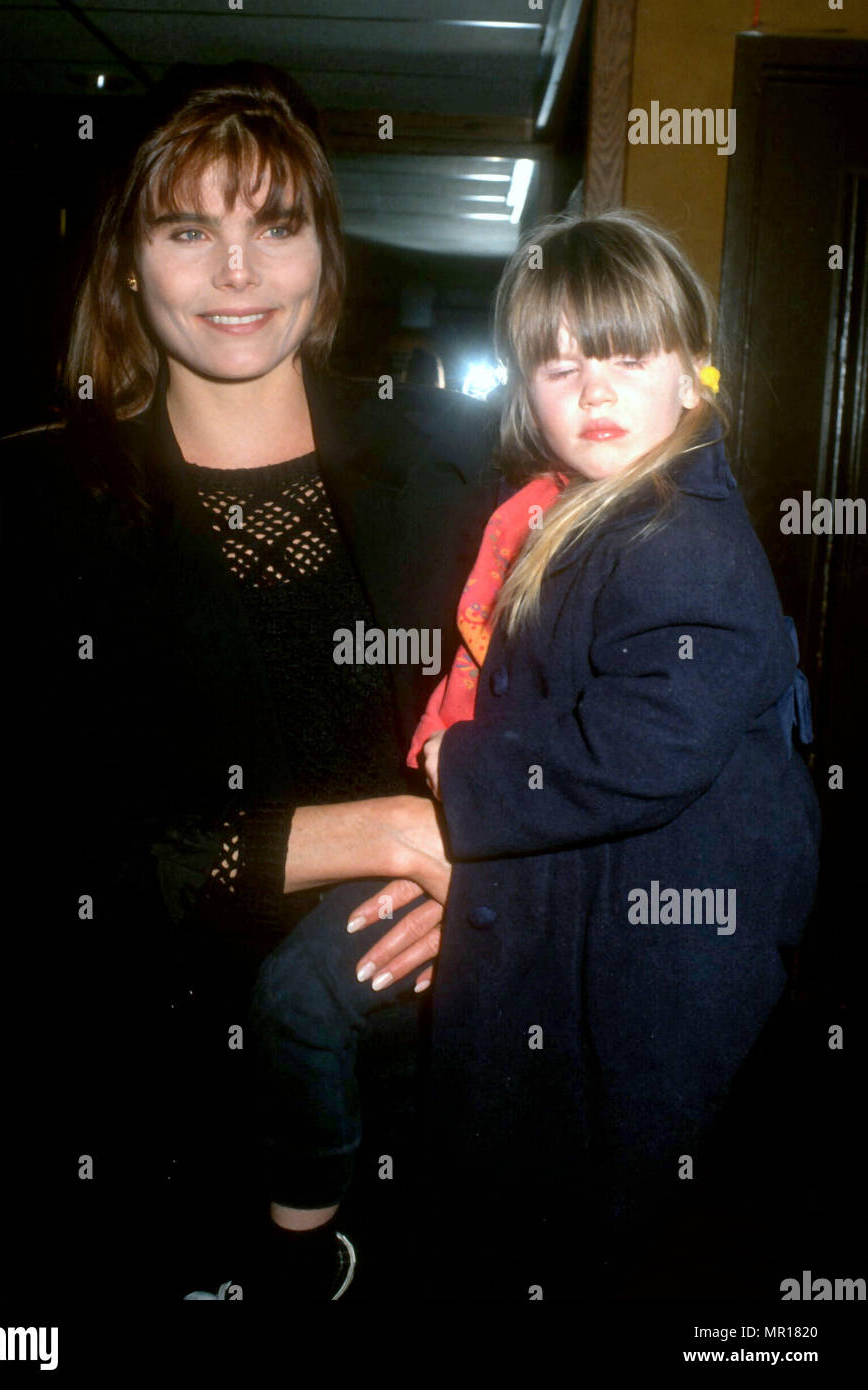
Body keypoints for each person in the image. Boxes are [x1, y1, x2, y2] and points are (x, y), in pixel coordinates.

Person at [0, 63, 500, 1302]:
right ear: (130, 262)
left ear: (324, 253)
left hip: (413, 1083)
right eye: (190, 228)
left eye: (275, 223)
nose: (238, 273)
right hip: (145, 1111)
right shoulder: (40, 512)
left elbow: (549, 746)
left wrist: (481, 892)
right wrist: (387, 833)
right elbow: (42, 852)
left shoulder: (449, 481)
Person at [244, 209, 821, 1302]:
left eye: (623, 357)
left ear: (691, 374)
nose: (592, 391)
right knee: (515, 1134)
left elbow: (649, 744)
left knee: (620, 1152)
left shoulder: (684, 537)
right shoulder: (589, 509)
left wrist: (463, 780)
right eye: (559, 368)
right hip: (588, 893)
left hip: (673, 931)